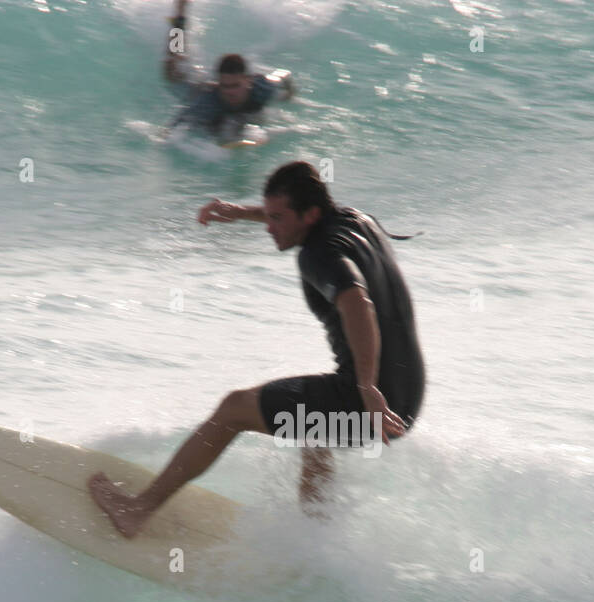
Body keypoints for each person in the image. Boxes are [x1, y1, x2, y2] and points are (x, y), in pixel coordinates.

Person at [88, 161, 425, 539]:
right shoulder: (358, 221)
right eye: (268, 215)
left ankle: (136, 511)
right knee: (313, 427)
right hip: (406, 399)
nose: (269, 226)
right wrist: (240, 212)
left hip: (371, 406)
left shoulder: (319, 254)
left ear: (310, 215)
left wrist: (367, 388)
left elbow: (356, 302)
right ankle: (316, 538)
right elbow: (310, 229)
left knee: (234, 409)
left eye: (277, 218)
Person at [162, 0, 295, 143]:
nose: (229, 92)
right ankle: (179, 19)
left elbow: (284, 75)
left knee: (247, 118)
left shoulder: (264, 87)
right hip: (197, 93)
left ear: (248, 81)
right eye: (224, 86)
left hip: (243, 112)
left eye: (235, 85)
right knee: (172, 70)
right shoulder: (205, 103)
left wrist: (289, 94)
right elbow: (171, 130)